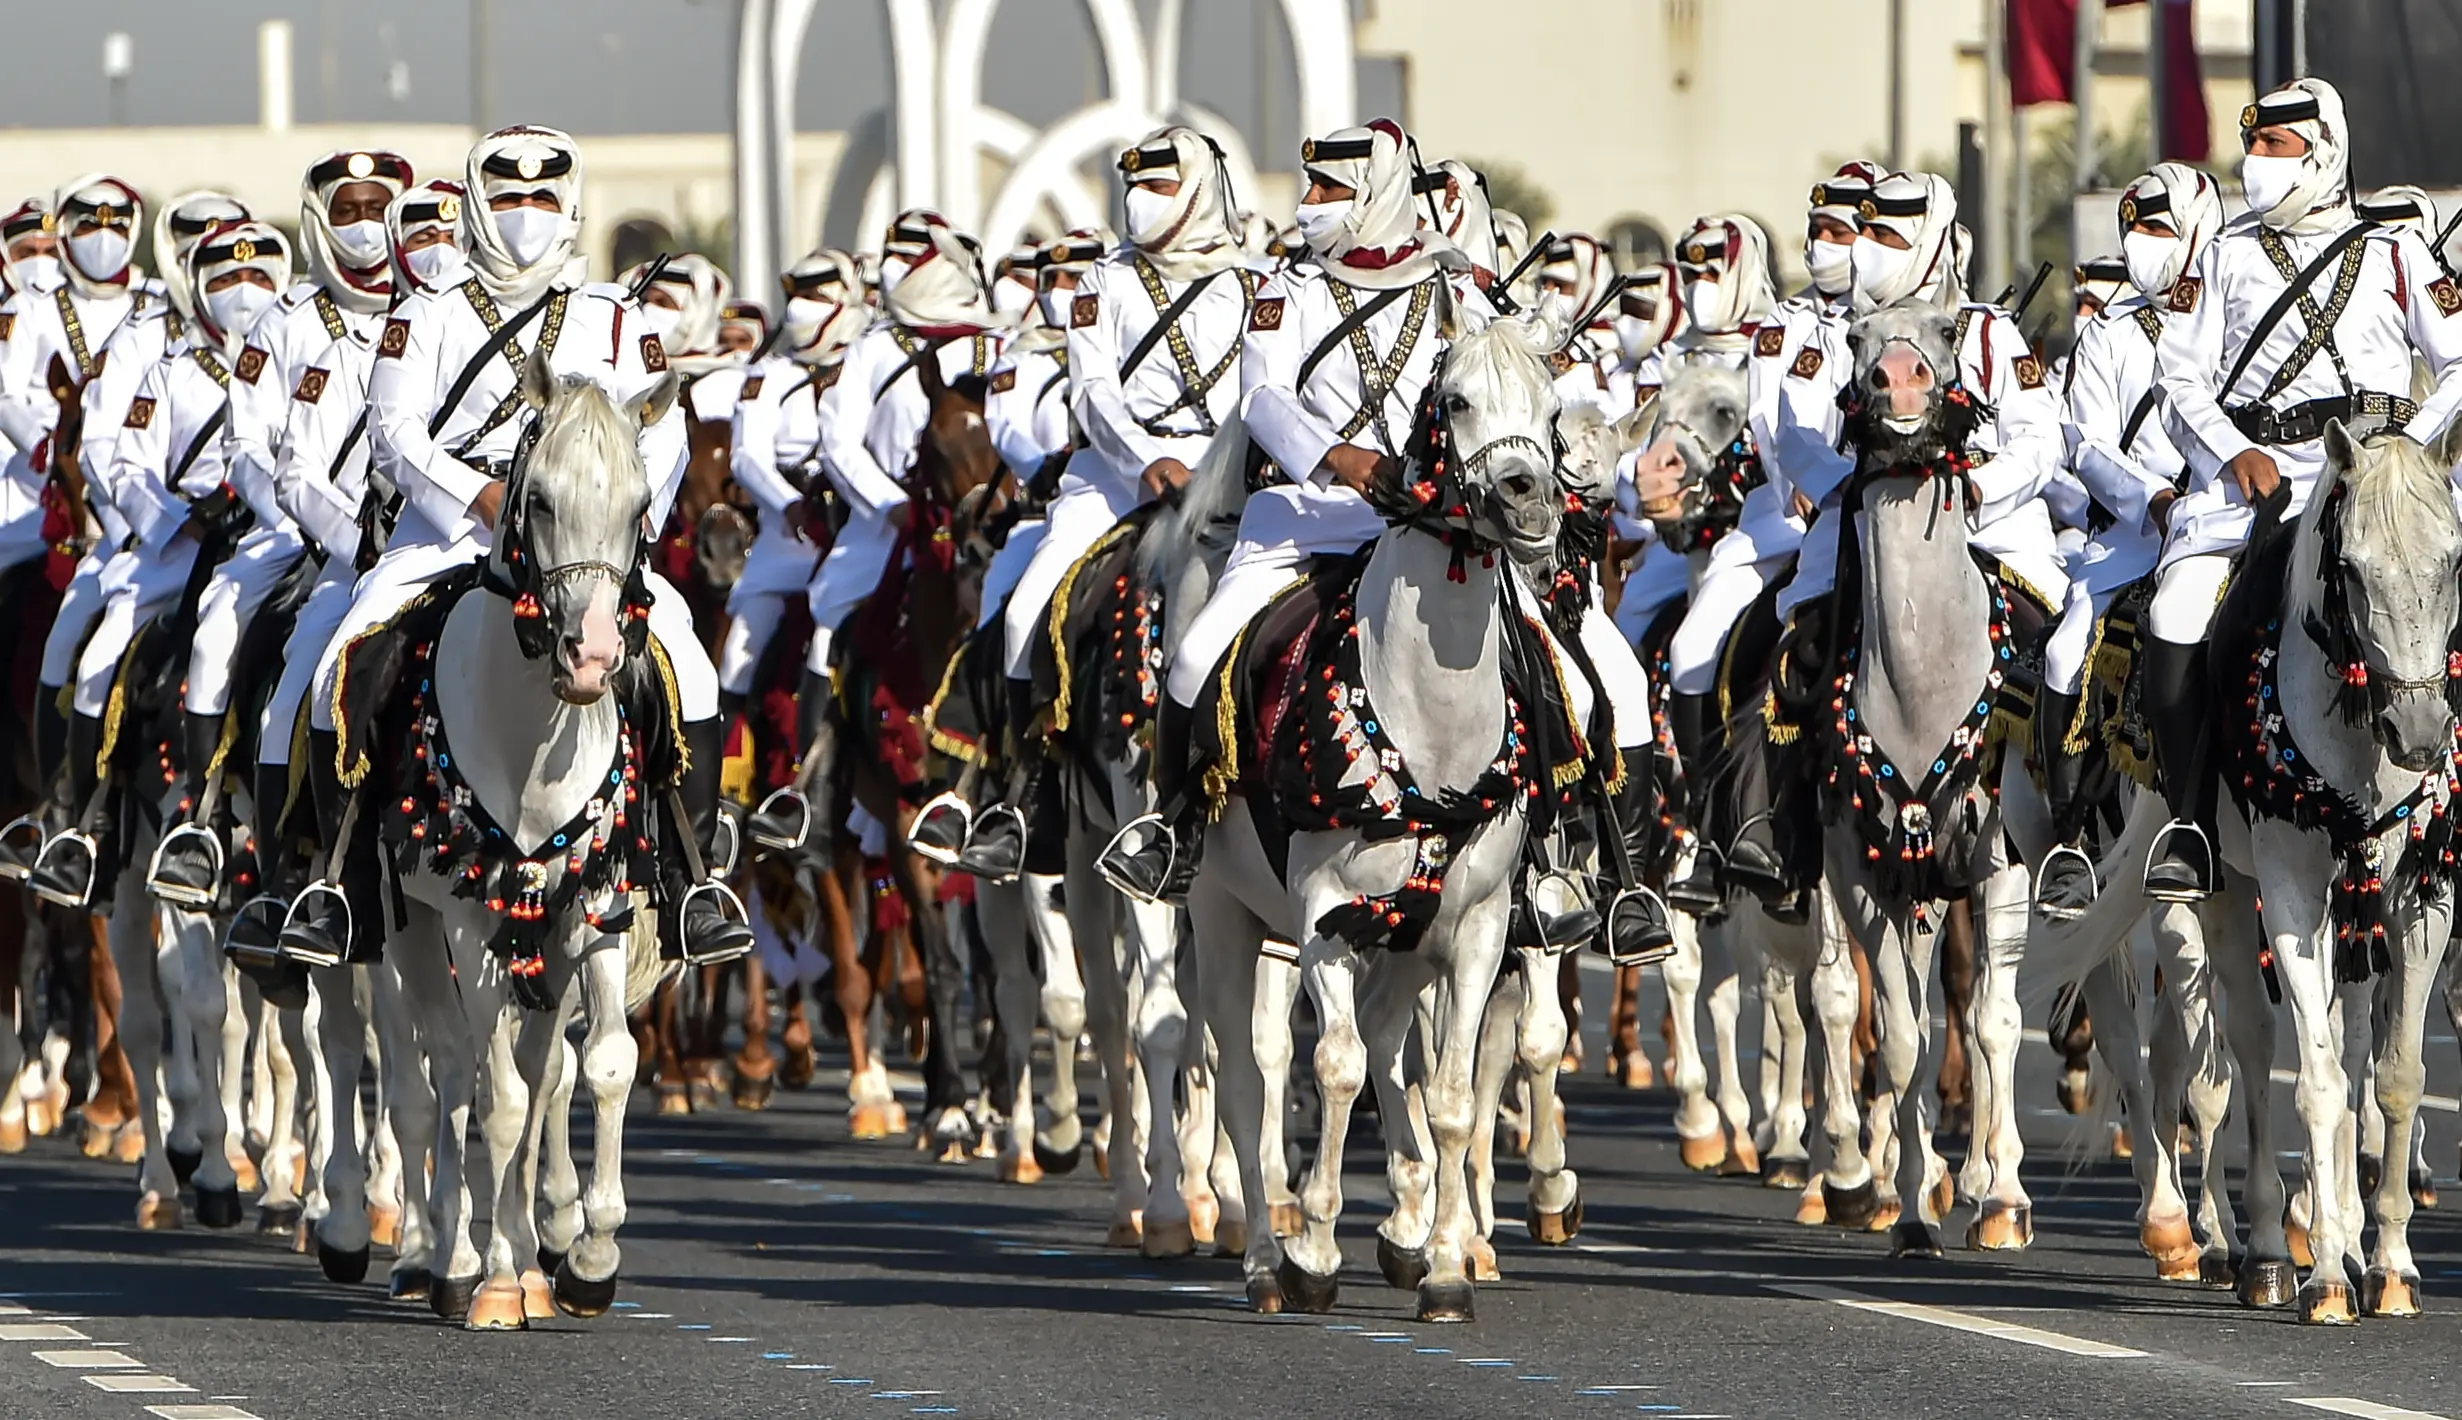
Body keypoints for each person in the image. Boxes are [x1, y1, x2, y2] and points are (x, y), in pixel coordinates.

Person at [282, 125, 745, 965]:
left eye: (540, 197)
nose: (523, 214)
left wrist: (624, 517)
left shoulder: (613, 315)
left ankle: (691, 878)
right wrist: (481, 497)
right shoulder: (426, 311)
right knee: (340, 666)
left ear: (569, 206)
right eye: (505, 197)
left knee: (690, 665)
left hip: (584, 542)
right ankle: (338, 886)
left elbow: (665, 429)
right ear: (476, 204)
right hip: (448, 536)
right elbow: (394, 433)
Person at [2144, 78, 2462, 900]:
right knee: (2175, 615)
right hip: (2263, 481)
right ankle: (2192, 827)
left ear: (2321, 153)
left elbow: (2460, 359)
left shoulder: (2396, 252)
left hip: (2384, 482)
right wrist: (2231, 452)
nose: (2255, 161)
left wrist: (2409, 454)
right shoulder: (2223, 255)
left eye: (2273, 146)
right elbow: (2178, 378)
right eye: (2251, 145)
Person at [955, 125, 1258, 881]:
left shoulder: (1255, 284)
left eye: (1158, 185)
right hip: (1113, 480)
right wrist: (1144, 458)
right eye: (1133, 186)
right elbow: (1092, 391)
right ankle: (1026, 800)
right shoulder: (1103, 282)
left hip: (1226, 481)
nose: (1139, 200)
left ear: (1197, 190)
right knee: (1026, 612)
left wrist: (1225, 466)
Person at [150, 150, 412, 899]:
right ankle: (209, 820)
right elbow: (248, 446)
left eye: (377, 208)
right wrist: (311, 522)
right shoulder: (285, 320)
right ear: (319, 221)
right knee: (217, 631)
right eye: (348, 210)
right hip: (294, 527)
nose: (364, 224)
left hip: (417, 534)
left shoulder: (431, 310)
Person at [226, 180, 468, 954]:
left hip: (486, 548)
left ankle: (675, 856)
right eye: (418, 237)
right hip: (371, 556)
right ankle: (300, 880)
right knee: (300, 682)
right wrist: (354, 546)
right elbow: (295, 473)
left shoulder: (492, 338)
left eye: (448, 236)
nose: (435, 252)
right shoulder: (338, 353)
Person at [28, 220, 293, 906]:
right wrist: (179, 520)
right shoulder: (167, 369)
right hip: (182, 545)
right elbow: (126, 463)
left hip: (285, 536)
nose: (244, 291)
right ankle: (78, 820)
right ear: (196, 286)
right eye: (226, 277)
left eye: (259, 276)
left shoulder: (305, 353)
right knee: (93, 656)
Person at [2030, 163, 2224, 918]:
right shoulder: (2108, 335)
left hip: (2227, 516)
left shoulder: (2233, 312)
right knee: (2064, 650)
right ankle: (2070, 840)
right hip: (2139, 534)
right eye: (2133, 229)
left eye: (2158, 228)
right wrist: (2153, 499)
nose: (2142, 243)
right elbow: (2086, 445)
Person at [0, 177, 174, 880]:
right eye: (86, 223)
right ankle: (49, 803)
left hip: (151, 506)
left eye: (115, 222)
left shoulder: (159, 305)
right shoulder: (31, 310)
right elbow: (9, 393)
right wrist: (55, 447)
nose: (101, 236)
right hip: (33, 506)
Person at [721, 247, 866, 737]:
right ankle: (731, 772)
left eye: (817, 296)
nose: (803, 307)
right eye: (797, 296)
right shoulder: (769, 374)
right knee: (739, 652)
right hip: (787, 542)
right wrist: (788, 504)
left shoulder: (866, 364)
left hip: (858, 536)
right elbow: (746, 457)